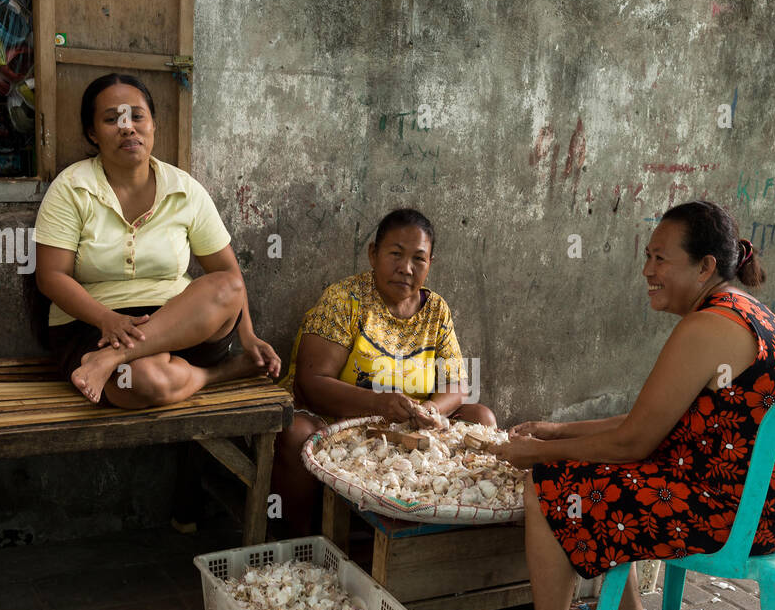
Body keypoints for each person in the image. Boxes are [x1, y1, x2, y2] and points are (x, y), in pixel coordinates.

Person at [472, 200, 775, 610]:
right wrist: (557, 430)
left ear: (705, 267)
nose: (647, 271)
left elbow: (633, 441)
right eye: (647, 257)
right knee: (613, 471)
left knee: (547, 485)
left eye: (661, 259)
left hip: (734, 521)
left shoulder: (708, 327)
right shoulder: (745, 312)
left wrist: (539, 455)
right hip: (772, 510)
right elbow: (654, 421)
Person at [33, 73, 280, 407]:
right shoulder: (72, 187)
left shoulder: (184, 188)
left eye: (137, 116)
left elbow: (228, 275)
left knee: (227, 286)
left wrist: (247, 335)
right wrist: (107, 319)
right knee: (145, 380)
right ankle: (215, 375)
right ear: (92, 133)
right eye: (112, 119)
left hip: (183, 326)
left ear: (153, 125)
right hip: (94, 326)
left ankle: (109, 361)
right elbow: (51, 276)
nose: (127, 127)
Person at [272, 207, 496, 534]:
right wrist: (380, 404)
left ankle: (448, 542)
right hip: (342, 427)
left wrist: (432, 410)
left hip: (411, 431)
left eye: (419, 259)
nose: (406, 268)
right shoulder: (346, 299)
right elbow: (311, 384)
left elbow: (456, 383)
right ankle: (297, 538)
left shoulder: (436, 310)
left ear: (429, 264)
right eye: (395, 254)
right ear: (373, 254)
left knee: (482, 419)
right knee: (294, 432)